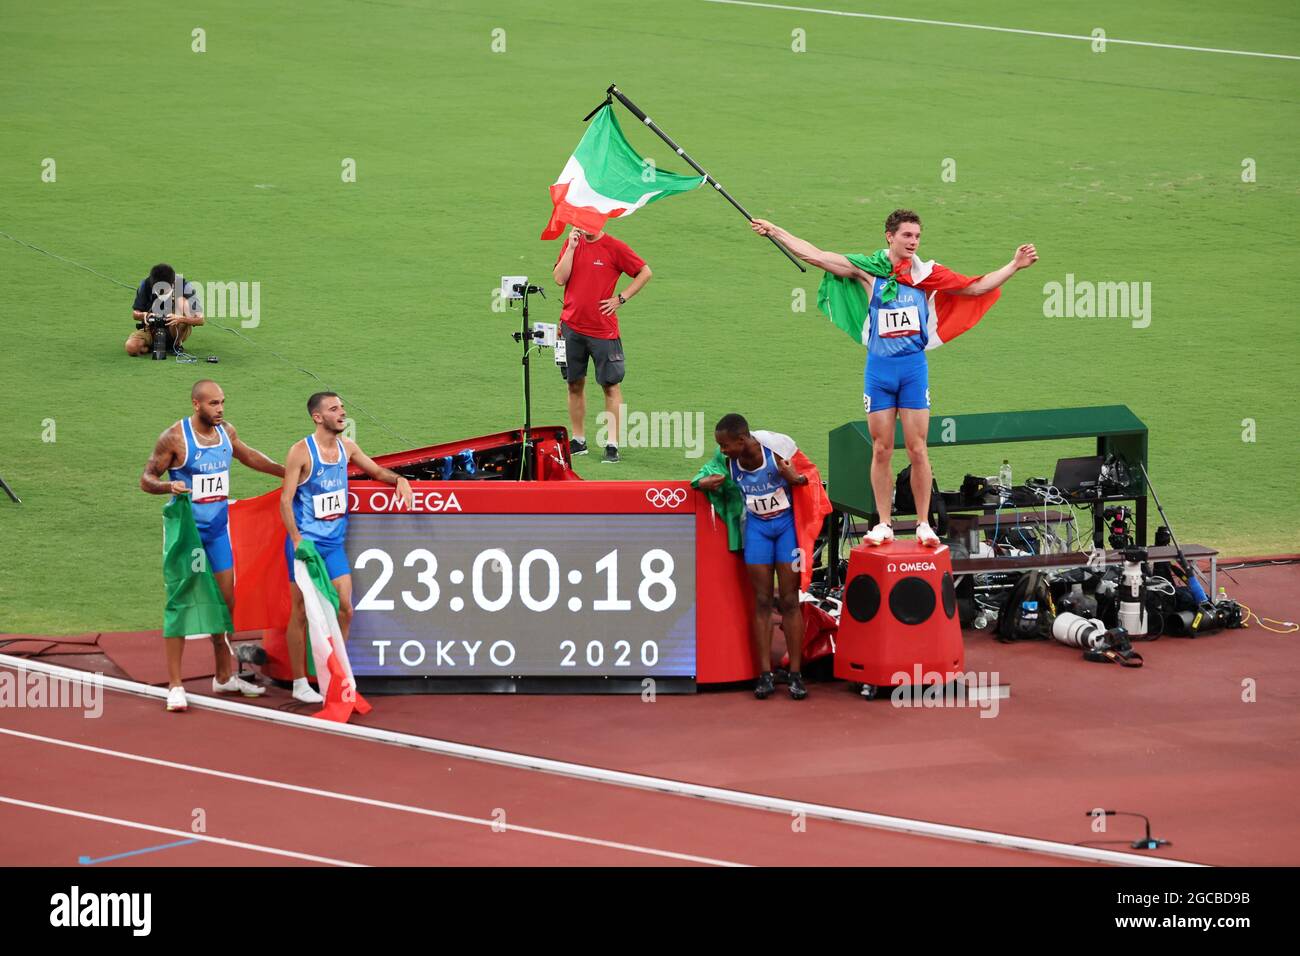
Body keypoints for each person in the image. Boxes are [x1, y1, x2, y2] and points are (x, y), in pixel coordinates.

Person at [751, 210, 1037, 546]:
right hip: (879, 371)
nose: (913, 242)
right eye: (907, 236)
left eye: (917, 236)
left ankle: (922, 524)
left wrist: (1013, 266)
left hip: (913, 370)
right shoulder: (868, 270)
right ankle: (884, 523)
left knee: (918, 448)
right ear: (890, 236)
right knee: (882, 449)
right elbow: (816, 255)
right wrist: (775, 230)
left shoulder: (927, 274)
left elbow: (974, 288)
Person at [139, 379, 285, 711]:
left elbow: (249, 456)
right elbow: (146, 479)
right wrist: (169, 487)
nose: (220, 409)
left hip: (218, 532)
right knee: (181, 603)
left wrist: (286, 472)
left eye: (222, 402)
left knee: (225, 602)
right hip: (187, 535)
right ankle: (175, 686)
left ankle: (222, 677)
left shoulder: (225, 432)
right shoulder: (174, 438)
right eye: (213, 404)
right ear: (196, 404)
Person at [280, 392, 412, 704]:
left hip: (333, 545)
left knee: (345, 608)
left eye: (342, 407)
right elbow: (285, 500)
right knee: (300, 612)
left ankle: (337, 676)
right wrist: (297, 540)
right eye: (334, 409)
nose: (342, 412)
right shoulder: (301, 452)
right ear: (317, 417)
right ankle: (300, 681)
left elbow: (377, 472)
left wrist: (400, 480)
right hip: (306, 546)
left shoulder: (346, 448)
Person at [696, 414, 809, 700]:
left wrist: (793, 478)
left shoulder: (776, 448)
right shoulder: (726, 461)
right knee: (761, 601)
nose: (722, 450)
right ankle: (765, 675)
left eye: (725, 445)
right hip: (757, 529)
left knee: (789, 600)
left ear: (742, 440)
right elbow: (699, 477)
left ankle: (796, 674)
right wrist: (704, 482)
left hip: (786, 530)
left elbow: (808, 478)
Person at [552, 225, 652, 464]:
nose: (584, 227)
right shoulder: (572, 243)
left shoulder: (614, 247)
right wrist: (571, 248)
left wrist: (621, 298)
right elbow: (559, 278)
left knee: (610, 385)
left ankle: (612, 443)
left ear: (600, 221)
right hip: (571, 327)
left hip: (603, 331)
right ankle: (578, 440)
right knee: (573, 384)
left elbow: (644, 271)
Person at [127, 263, 203, 356]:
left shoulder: (184, 286)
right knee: (131, 347)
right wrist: (144, 315)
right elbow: (135, 314)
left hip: (176, 329)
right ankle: (155, 345)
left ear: (173, 284)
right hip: (151, 329)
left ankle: (176, 345)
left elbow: (200, 320)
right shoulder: (146, 284)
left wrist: (180, 319)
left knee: (182, 302)